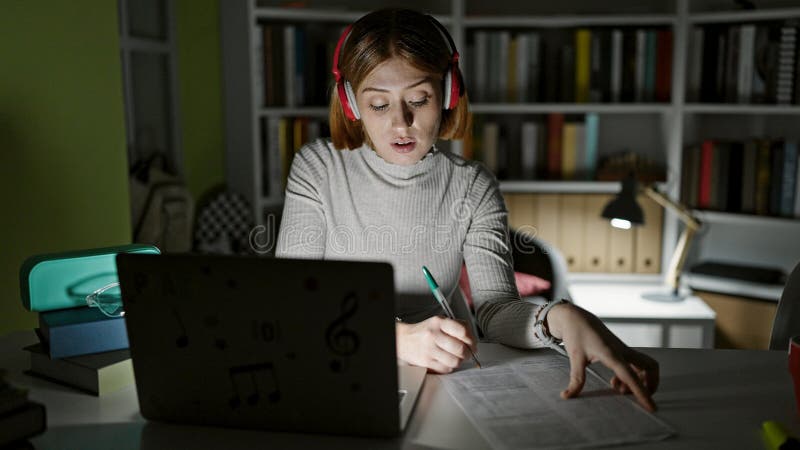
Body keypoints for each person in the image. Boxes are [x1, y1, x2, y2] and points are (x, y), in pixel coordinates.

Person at [275, 8, 659, 412]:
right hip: (342, 370)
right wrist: (397, 340)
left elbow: (496, 311)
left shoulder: (473, 185)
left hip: (447, 383)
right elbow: (294, 299)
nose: (401, 123)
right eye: (379, 105)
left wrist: (559, 318)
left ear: (447, 93)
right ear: (351, 103)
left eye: (418, 100)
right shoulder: (317, 169)